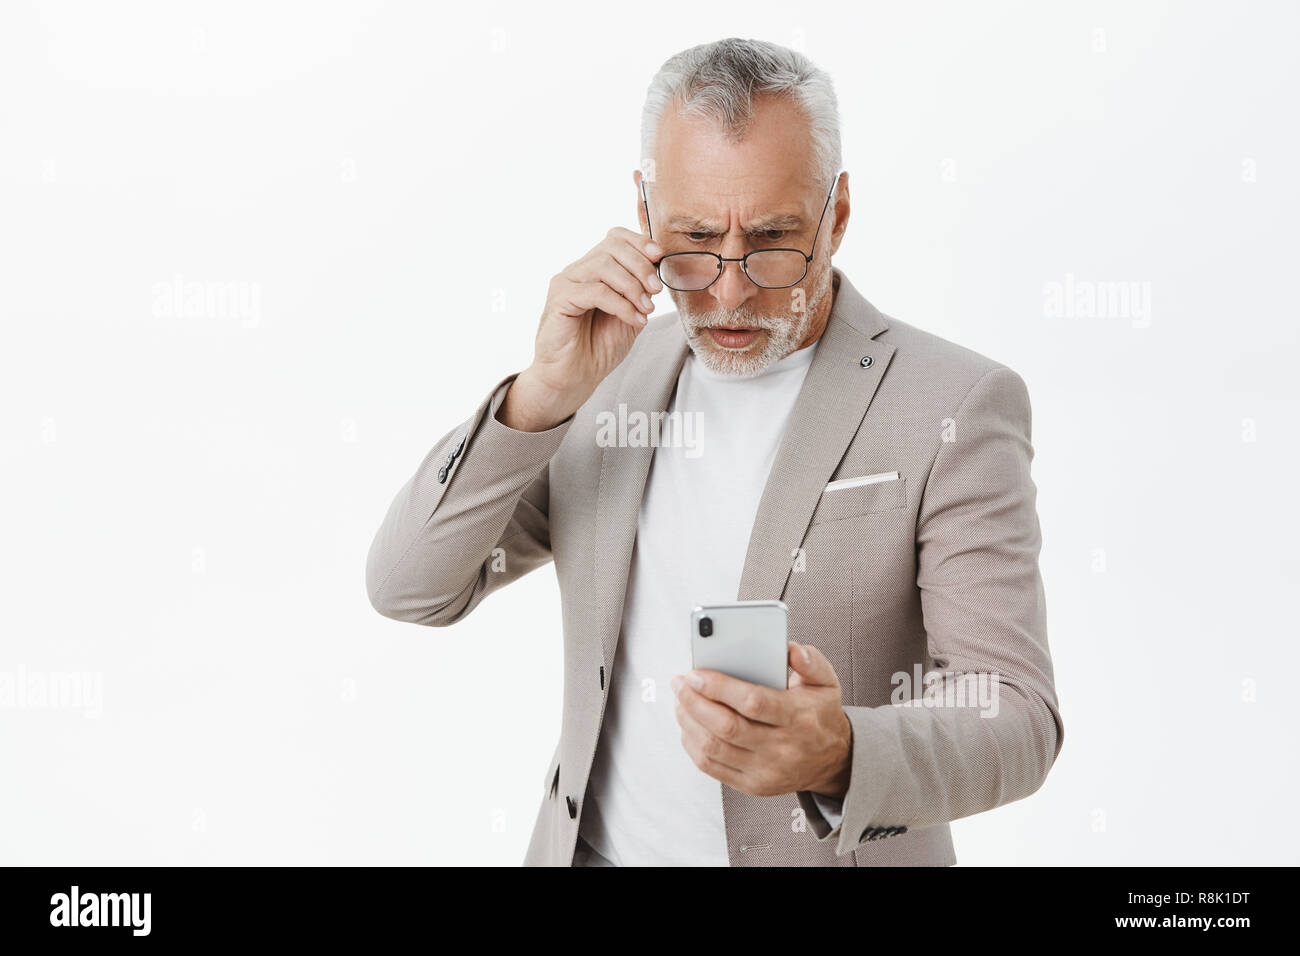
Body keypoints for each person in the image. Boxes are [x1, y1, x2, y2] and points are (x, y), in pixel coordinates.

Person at [366, 37, 1064, 866]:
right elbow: (409, 588)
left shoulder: (953, 403)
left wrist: (840, 751)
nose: (730, 291)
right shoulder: (605, 382)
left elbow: (1016, 714)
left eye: (773, 238)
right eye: (695, 238)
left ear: (836, 215)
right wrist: (538, 398)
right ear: (646, 211)